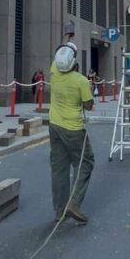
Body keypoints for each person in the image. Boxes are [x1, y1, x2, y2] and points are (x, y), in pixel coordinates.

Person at [49, 41, 94, 225]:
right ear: (74, 62)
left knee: (59, 168)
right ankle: (74, 203)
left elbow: (59, 56)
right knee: (85, 163)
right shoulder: (80, 81)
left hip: (54, 126)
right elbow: (88, 105)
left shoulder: (53, 71)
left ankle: (59, 210)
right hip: (74, 129)